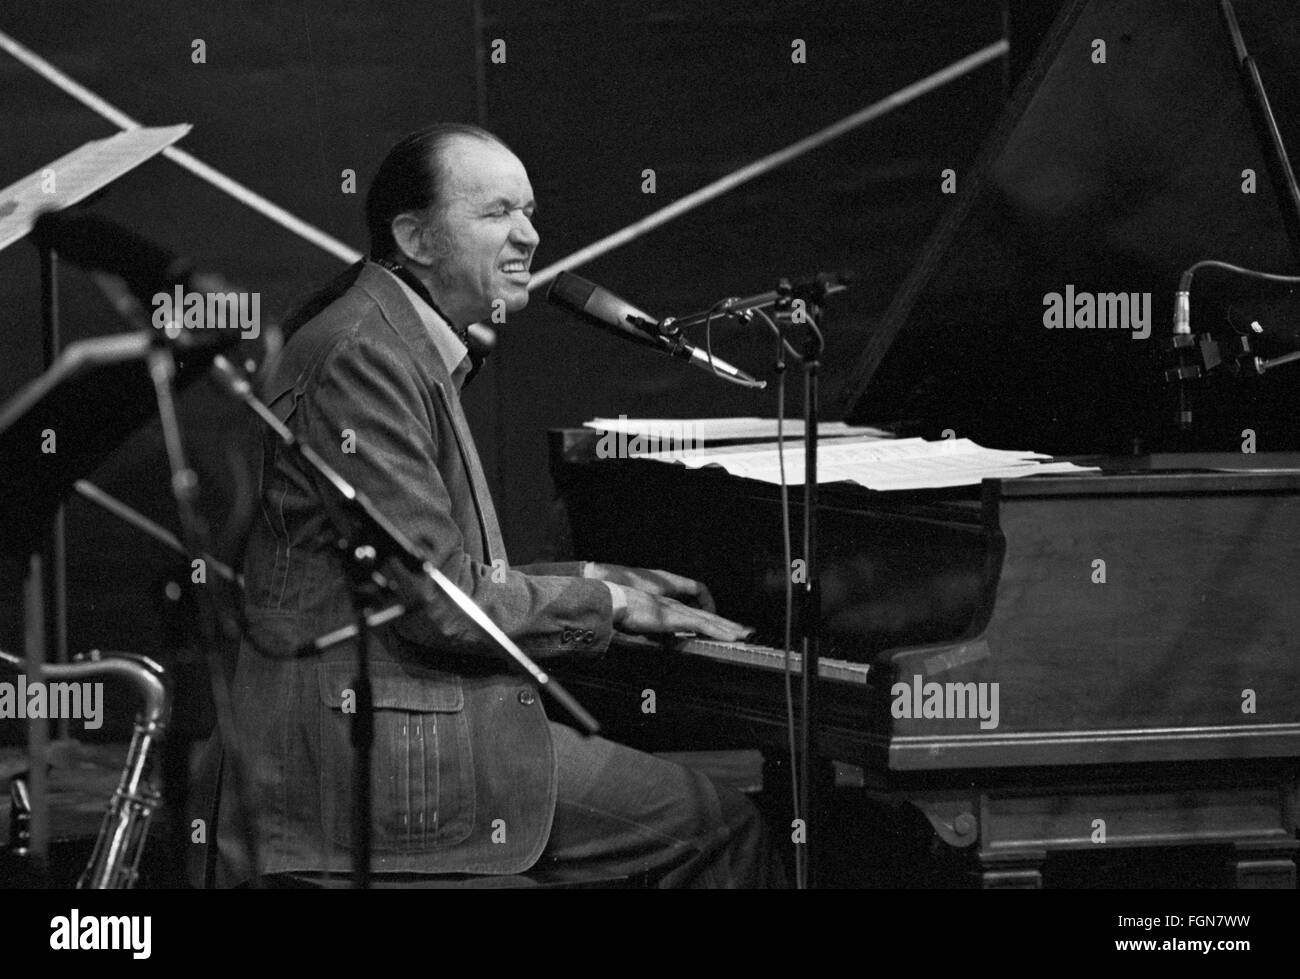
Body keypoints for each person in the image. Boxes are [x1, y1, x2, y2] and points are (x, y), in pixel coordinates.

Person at [214, 123, 785, 887]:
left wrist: (596, 576)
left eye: (530, 210)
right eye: (496, 214)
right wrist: (607, 601)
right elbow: (440, 601)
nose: (529, 235)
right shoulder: (366, 356)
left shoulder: (388, 337)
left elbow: (421, 573)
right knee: (716, 829)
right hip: (377, 761)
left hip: (389, 731)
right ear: (414, 237)